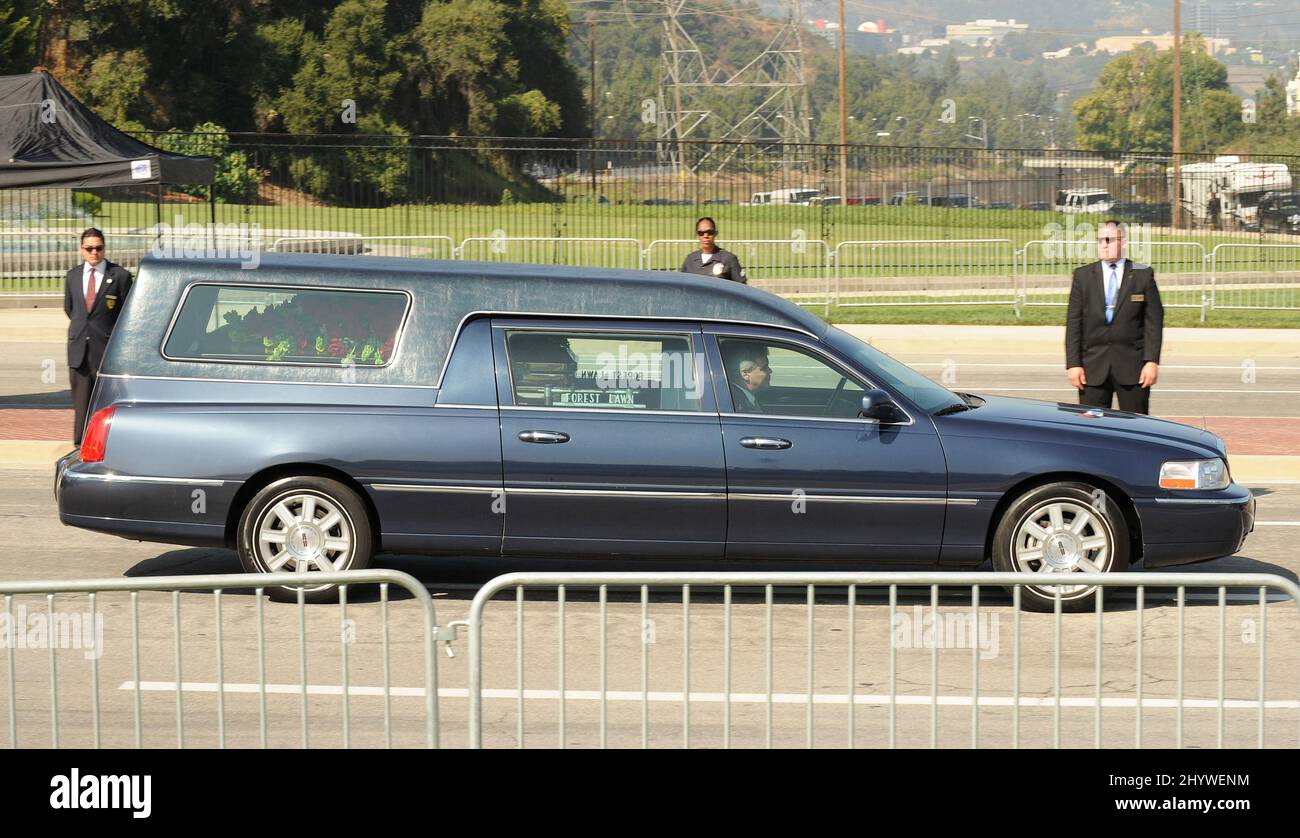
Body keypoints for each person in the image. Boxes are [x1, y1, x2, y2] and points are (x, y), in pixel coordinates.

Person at [1065, 220, 1163, 415]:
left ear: (1123, 242)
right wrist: (1073, 364)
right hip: (1092, 370)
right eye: (1100, 240)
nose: (1104, 244)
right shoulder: (1083, 276)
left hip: (1133, 369)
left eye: (1109, 240)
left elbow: (1154, 322)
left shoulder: (1143, 274)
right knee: (1093, 432)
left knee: (1137, 429)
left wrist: (1151, 361)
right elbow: (1074, 323)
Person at [64, 228, 133, 446]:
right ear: (81, 249)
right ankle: (79, 445)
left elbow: (128, 313)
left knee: (106, 404)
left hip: (106, 351)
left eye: (99, 248)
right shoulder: (72, 276)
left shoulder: (120, 276)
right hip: (79, 352)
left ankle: (107, 445)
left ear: (104, 248)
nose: (94, 252)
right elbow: (70, 309)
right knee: (81, 404)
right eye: (89, 248)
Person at [680, 217, 746, 283]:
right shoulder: (690, 260)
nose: (706, 236)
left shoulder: (728, 259)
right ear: (697, 235)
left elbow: (742, 287)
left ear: (715, 234)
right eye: (701, 233)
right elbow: (681, 285)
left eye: (710, 232)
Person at [725, 343, 771, 412]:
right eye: (764, 368)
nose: (770, 371)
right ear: (745, 374)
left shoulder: (743, 397)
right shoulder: (737, 405)